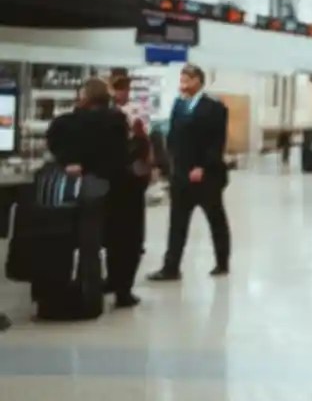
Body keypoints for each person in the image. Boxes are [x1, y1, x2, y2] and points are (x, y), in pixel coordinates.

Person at [47, 78, 132, 307]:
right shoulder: (116, 121)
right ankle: (101, 291)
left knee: (78, 241)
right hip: (107, 187)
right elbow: (120, 156)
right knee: (109, 241)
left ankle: (72, 288)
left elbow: (54, 144)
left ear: (83, 97)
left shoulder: (66, 122)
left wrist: (69, 163)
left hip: (72, 189)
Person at [148, 65, 231, 281]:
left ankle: (222, 262)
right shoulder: (179, 105)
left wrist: (202, 166)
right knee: (177, 223)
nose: (183, 83)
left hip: (206, 176)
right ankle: (171, 267)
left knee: (216, 220)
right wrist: (171, 166)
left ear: (198, 81)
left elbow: (216, 142)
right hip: (181, 175)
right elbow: (174, 139)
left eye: (187, 79)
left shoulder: (214, 107)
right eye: (182, 79)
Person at [108, 75, 149, 307]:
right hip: (125, 186)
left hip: (120, 184)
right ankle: (118, 284)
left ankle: (119, 284)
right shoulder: (113, 115)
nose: (120, 94)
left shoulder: (135, 112)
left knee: (119, 238)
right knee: (123, 239)